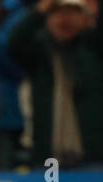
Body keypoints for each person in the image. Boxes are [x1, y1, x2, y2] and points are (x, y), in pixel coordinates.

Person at [9, 0, 103, 168]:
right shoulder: (38, 53)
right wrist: (40, 10)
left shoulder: (94, 49)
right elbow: (14, 43)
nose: (64, 19)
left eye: (72, 13)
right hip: (47, 157)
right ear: (47, 19)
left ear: (85, 18)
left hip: (93, 157)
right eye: (57, 13)